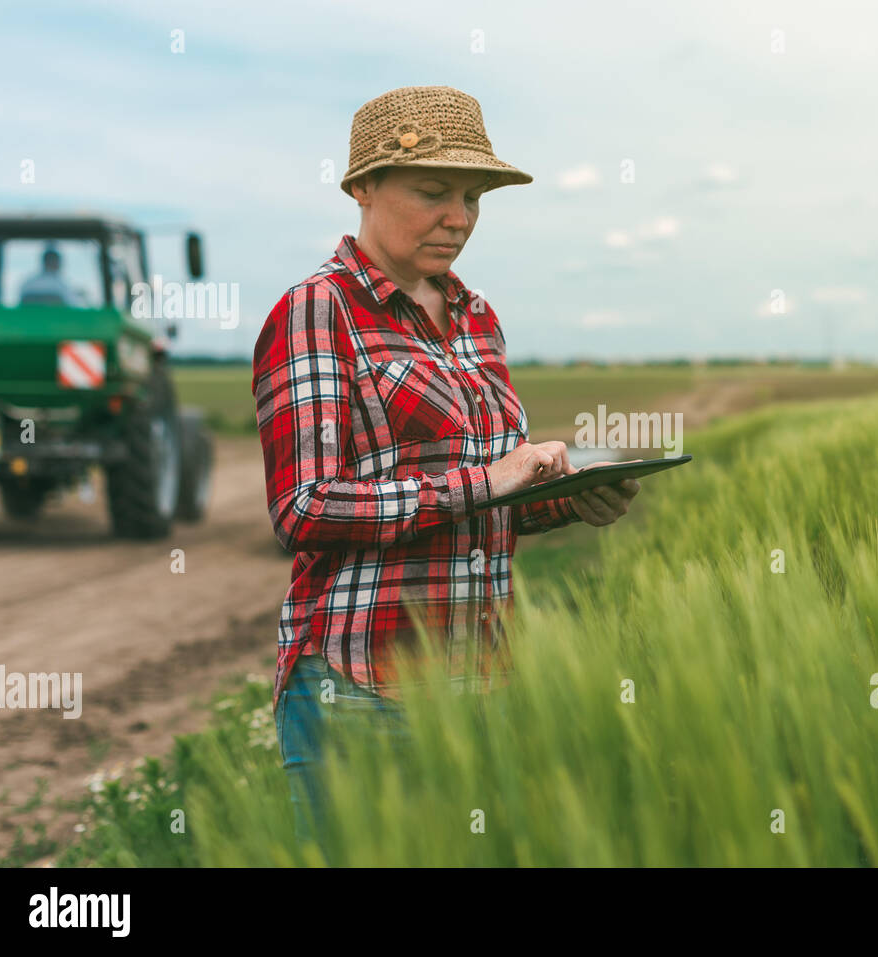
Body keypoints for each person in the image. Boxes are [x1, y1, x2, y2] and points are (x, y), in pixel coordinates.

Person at [252, 85, 640, 861]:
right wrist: (488, 481)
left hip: (486, 688)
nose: (458, 216)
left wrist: (563, 499)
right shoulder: (317, 311)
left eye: (472, 196)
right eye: (433, 191)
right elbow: (304, 507)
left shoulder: (476, 315)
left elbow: (492, 503)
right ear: (363, 186)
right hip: (362, 689)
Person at [19, 246, 86, 306]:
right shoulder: (62, 285)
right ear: (57, 262)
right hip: (59, 319)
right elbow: (72, 305)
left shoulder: (28, 283)